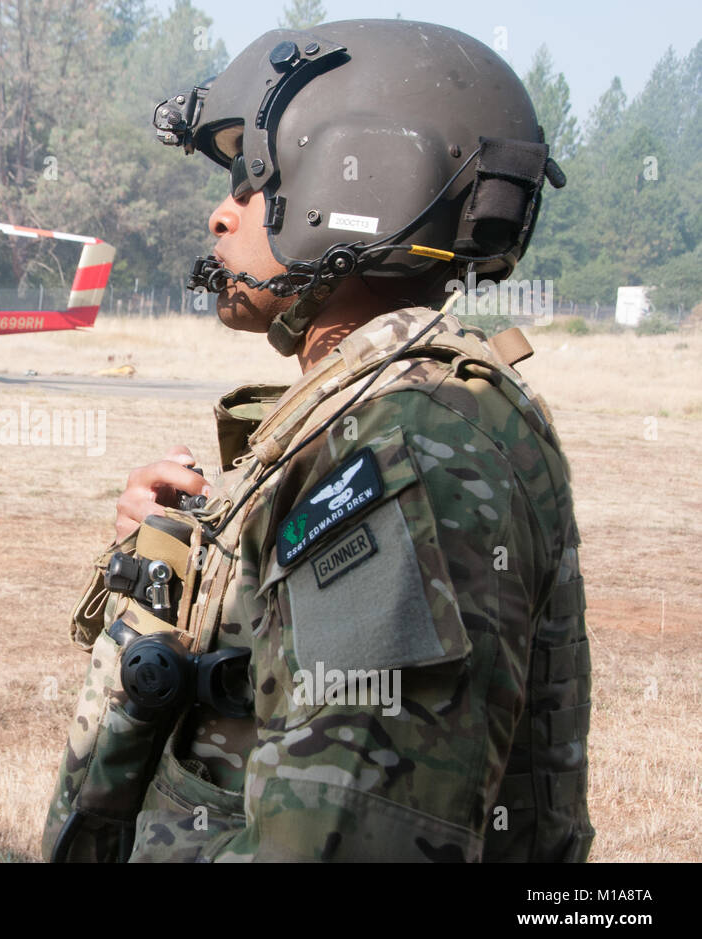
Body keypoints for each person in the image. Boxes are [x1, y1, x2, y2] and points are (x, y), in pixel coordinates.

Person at [42, 18, 593, 862]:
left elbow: (349, 844)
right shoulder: (363, 413)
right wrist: (163, 579)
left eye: (250, 180)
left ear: (359, 180)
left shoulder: (403, 444)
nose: (221, 216)